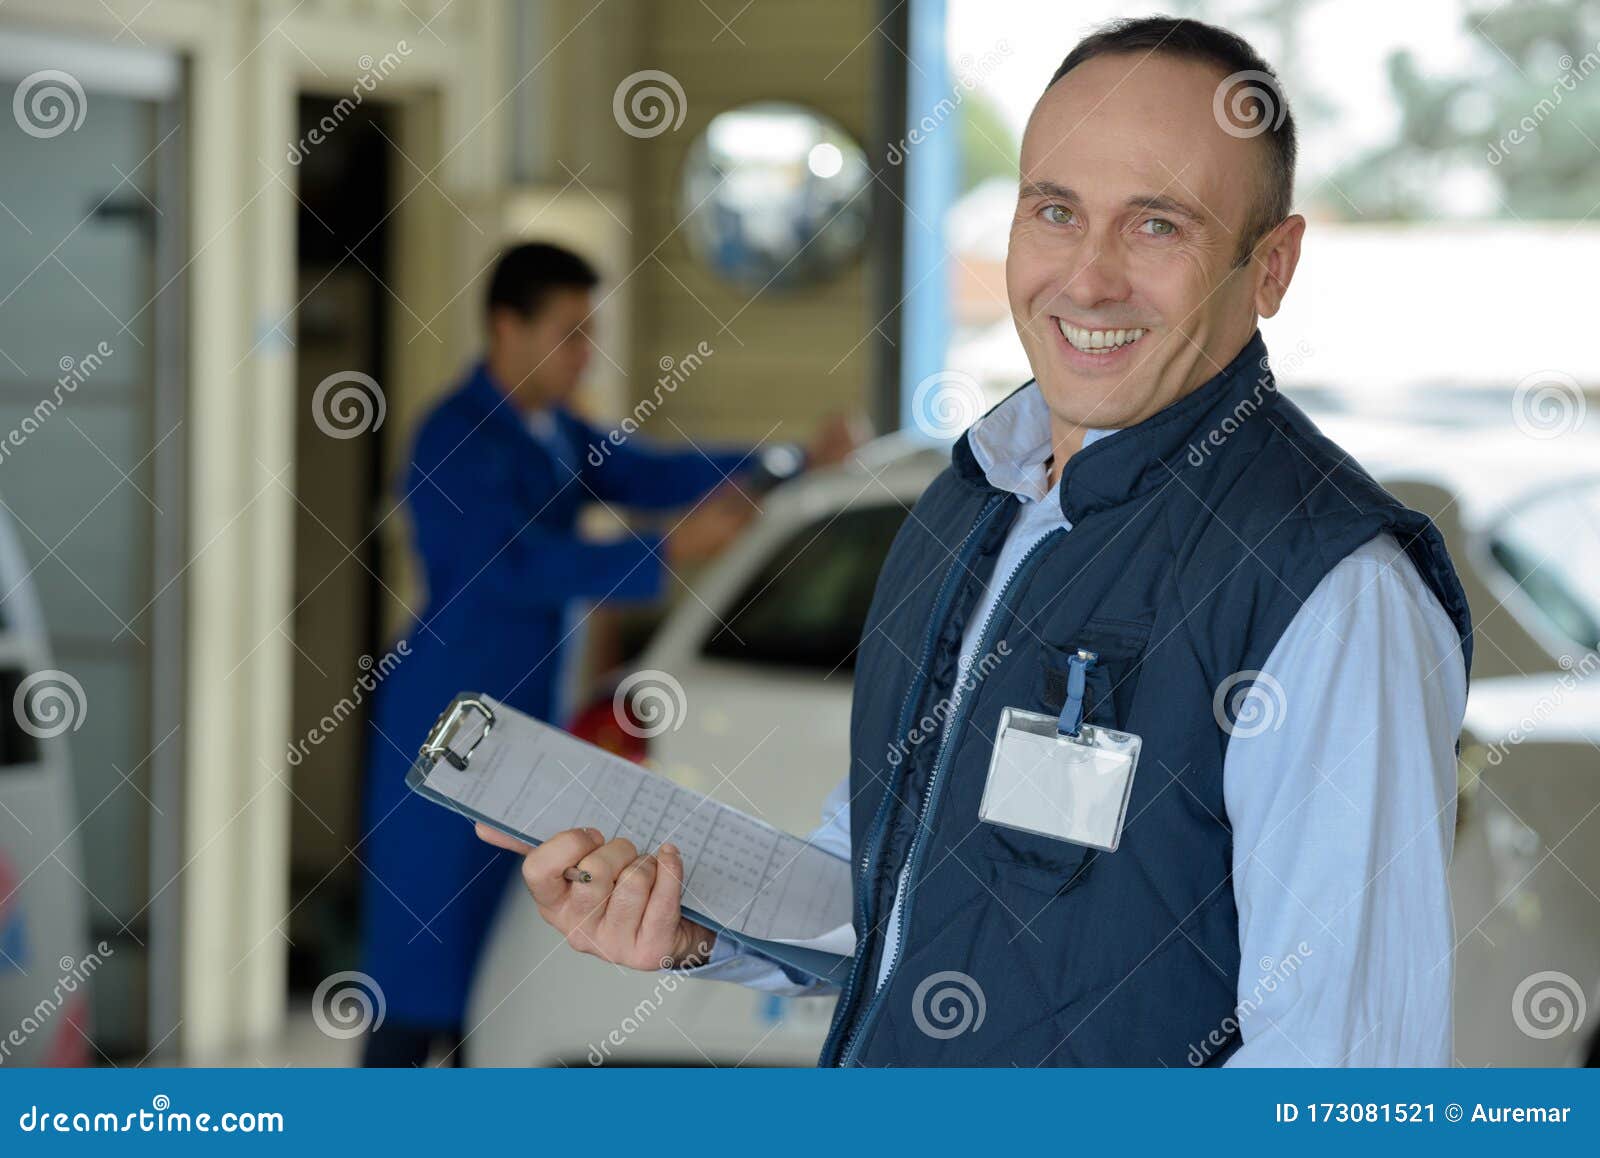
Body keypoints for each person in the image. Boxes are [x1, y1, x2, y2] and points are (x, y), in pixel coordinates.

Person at [476, 18, 1475, 1066]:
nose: (1086, 280)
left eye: (1156, 226)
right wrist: (693, 925)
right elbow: (890, 884)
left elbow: (1343, 1073)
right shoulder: (969, 509)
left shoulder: (1330, 592)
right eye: (1054, 212)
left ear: (1270, 267)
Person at [358, 241, 852, 1066]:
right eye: (568, 333)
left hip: (523, 719)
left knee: (499, 952)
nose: (584, 355)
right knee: (423, 963)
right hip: (447, 719)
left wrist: (788, 460)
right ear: (504, 327)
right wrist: (664, 552)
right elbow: (510, 564)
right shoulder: (455, 436)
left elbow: (648, 471)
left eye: (590, 334)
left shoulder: (551, 430)